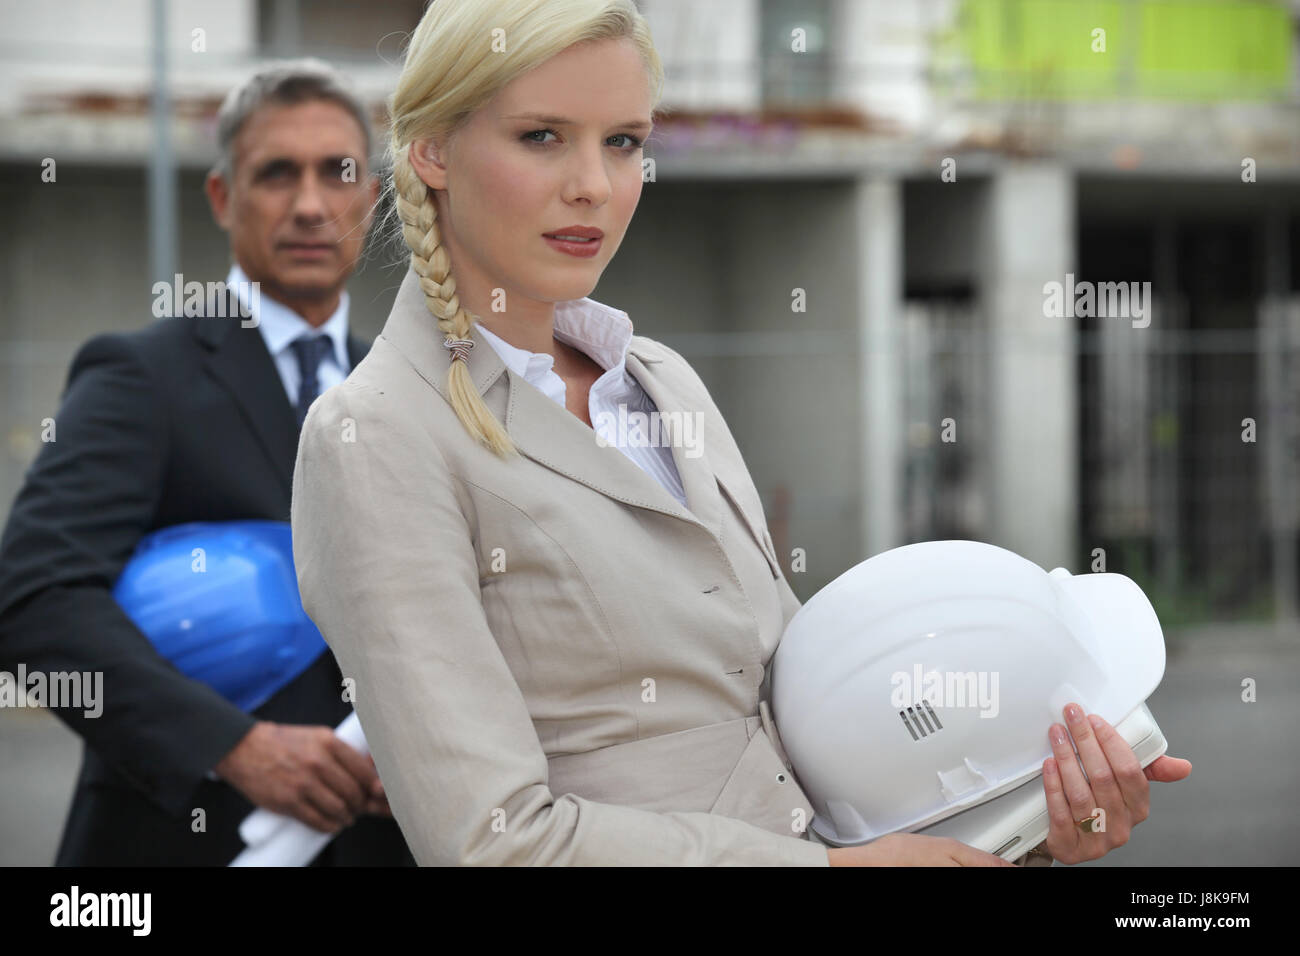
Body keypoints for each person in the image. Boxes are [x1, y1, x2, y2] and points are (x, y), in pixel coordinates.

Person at [290, 0, 1190, 866]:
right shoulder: (372, 439)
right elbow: (490, 843)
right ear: (434, 150)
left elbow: (804, 731)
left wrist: (1033, 810)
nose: (593, 186)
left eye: (625, 143)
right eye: (541, 136)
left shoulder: (660, 380)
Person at [0, 59, 415, 866]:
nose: (308, 204)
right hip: (181, 842)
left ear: (372, 195)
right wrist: (234, 747)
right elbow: (33, 600)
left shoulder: (414, 389)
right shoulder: (141, 374)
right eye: (275, 174)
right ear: (224, 197)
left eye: (337, 173)